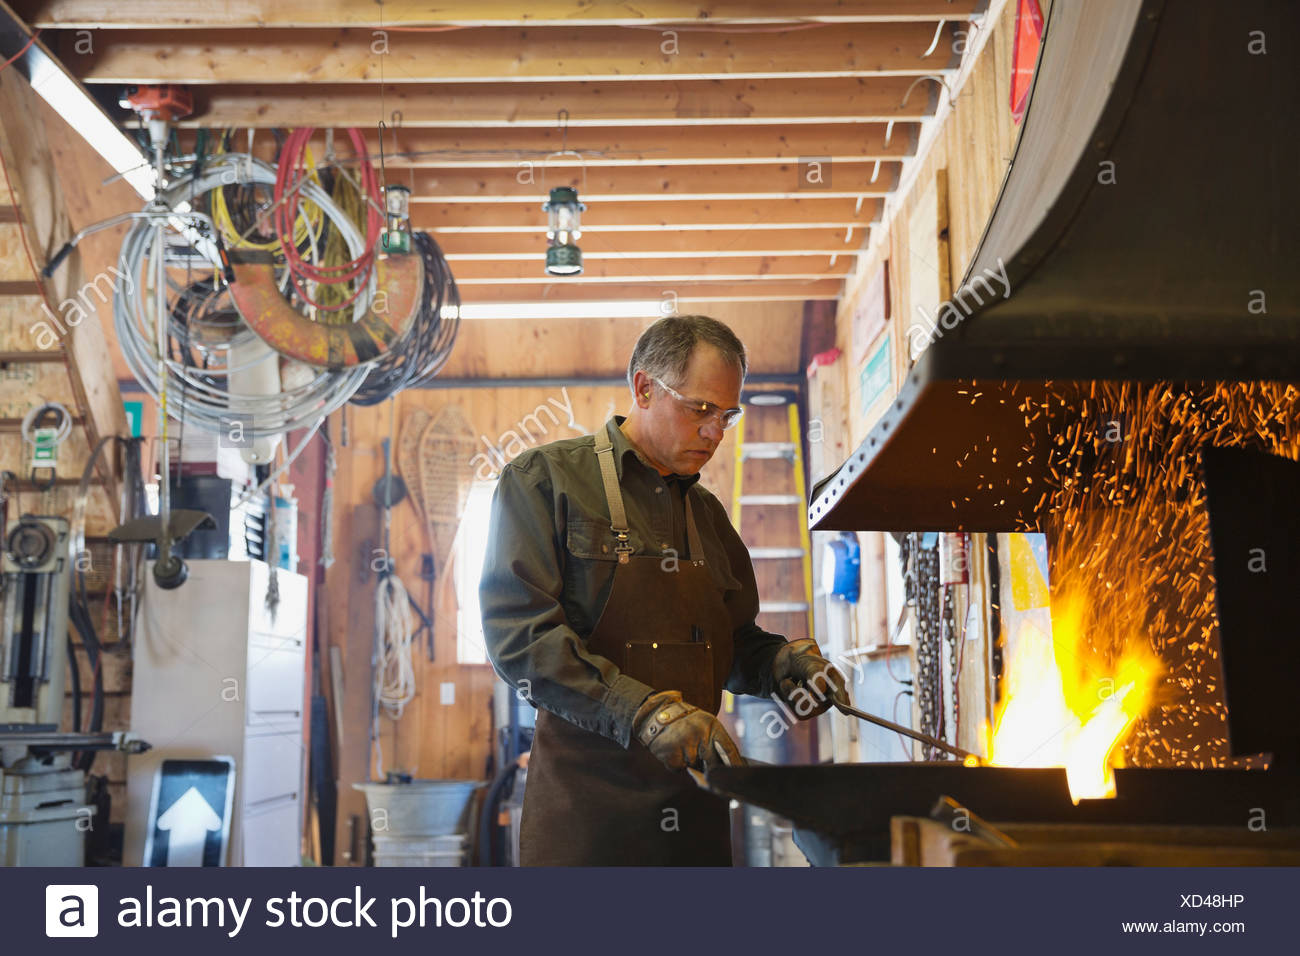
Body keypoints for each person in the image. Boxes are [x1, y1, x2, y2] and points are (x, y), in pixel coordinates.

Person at [480, 314, 850, 866]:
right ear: (644, 387)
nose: (715, 432)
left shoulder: (706, 514)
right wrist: (643, 713)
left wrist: (780, 664)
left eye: (727, 414)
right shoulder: (545, 481)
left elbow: (730, 645)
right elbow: (521, 639)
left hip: (693, 820)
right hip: (587, 825)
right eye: (700, 409)